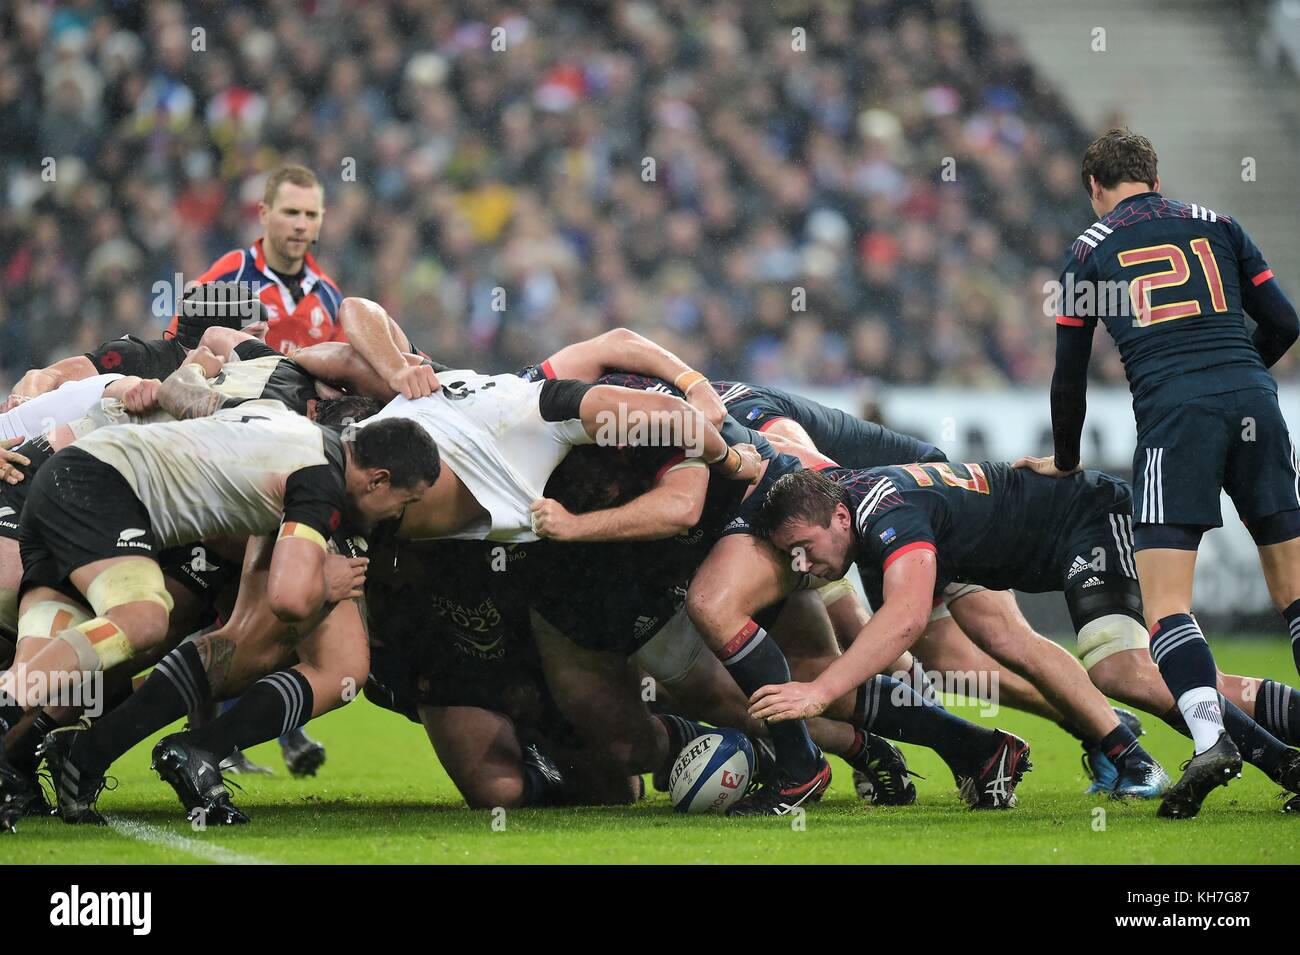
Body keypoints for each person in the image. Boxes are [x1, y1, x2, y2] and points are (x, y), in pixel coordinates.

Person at [1018, 128, 1300, 817]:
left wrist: (1065, 456)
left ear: (1094, 186)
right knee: (1295, 592)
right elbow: (1286, 322)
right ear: (1155, 175)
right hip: (1256, 403)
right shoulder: (1220, 224)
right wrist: (1235, 376)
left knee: (1167, 605)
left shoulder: (1088, 248)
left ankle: (1212, 740)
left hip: (1176, 418)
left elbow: (1068, 374)